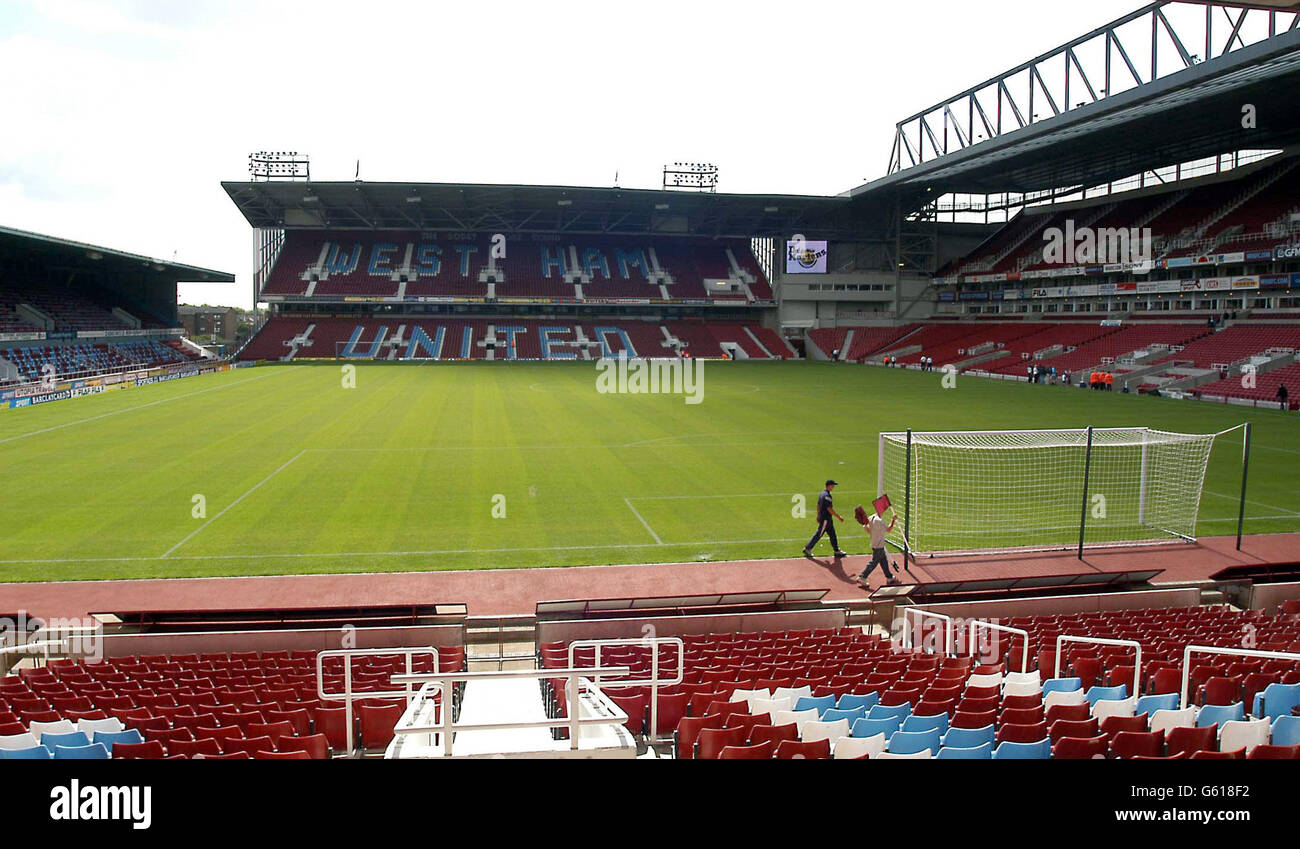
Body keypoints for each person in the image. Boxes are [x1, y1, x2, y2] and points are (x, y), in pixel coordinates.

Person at [804, 479, 847, 558]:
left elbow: (818, 505)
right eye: (833, 485)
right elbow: (829, 509)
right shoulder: (827, 496)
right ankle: (808, 548)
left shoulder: (822, 494)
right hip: (825, 519)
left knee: (832, 535)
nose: (834, 487)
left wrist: (818, 515)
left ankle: (836, 550)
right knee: (819, 534)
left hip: (826, 519)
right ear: (829, 486)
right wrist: (838, 517)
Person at [856, 510, 899, 587]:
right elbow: (888, 529)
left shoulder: (871, 517)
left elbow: (866, 528)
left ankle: (889, 577)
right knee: (874, 562)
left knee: (883, 561)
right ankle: (862, 577)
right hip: (878, 545)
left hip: (874, 543)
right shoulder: (879, 521)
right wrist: (893, 520)